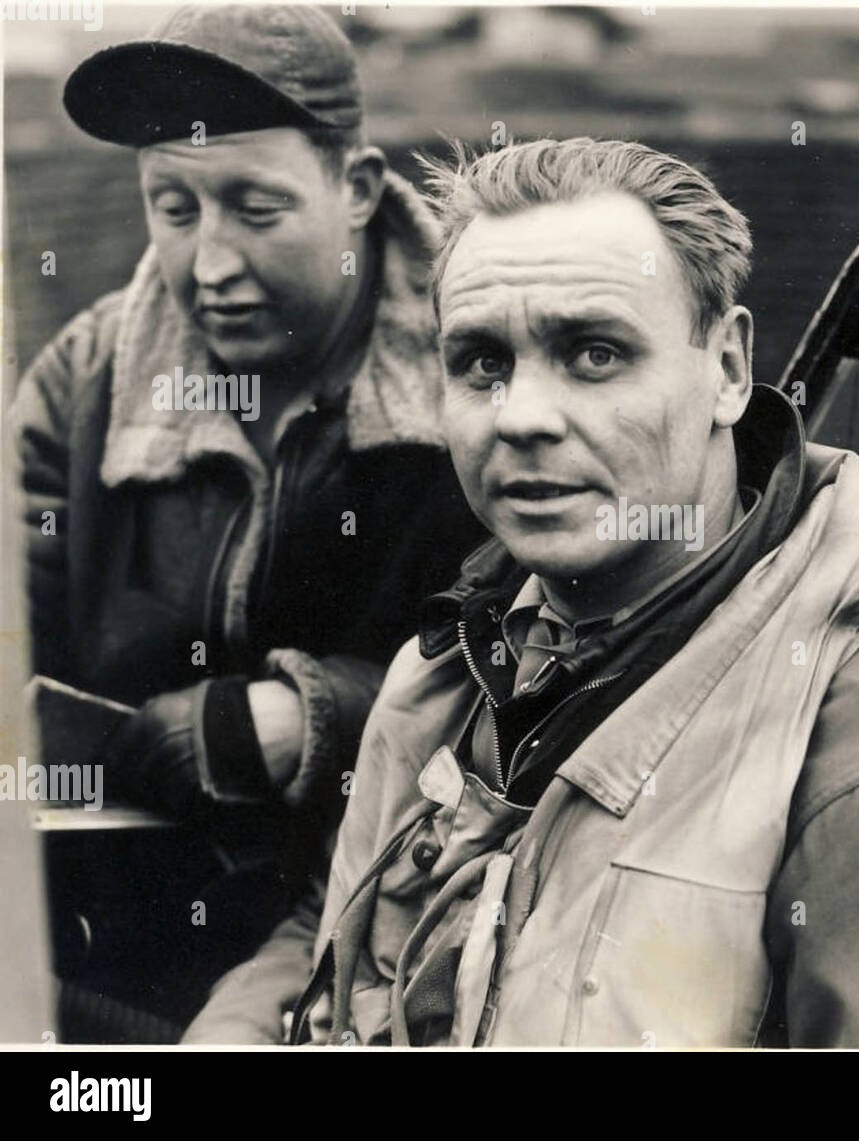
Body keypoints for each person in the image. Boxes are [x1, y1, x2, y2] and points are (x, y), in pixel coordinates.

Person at [185, 137, 859, 1048]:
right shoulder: (450, 667)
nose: (524, 416)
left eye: (595, 353)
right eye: (482, 364)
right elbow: (337, 939)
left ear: (728, 369)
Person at [14, 5, 483, 1032]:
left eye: (255, 210)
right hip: (116, 925)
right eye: (172, 209)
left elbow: (569, 675)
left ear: (356, 190)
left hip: (402, 931)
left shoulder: (486, 375)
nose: (211, 264)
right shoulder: (84, 385)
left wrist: (331, 713)